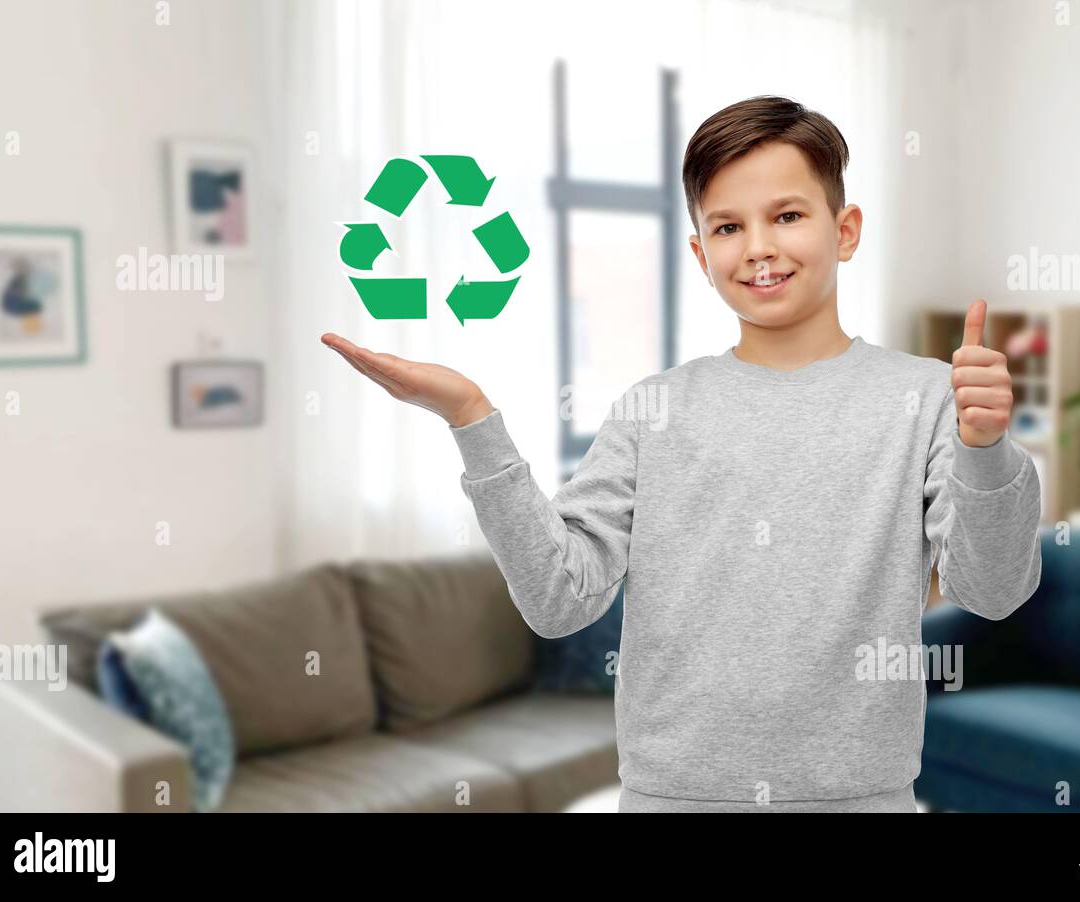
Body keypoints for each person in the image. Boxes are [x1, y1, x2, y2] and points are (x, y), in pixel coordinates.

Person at [323, 95, 1042, 813]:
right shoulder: (651, 410)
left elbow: (993, 589)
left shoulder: (927, 399)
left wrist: (985, 451)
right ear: (701, 254)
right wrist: (471, 419)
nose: (758, 246)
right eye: (728, 226)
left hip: (863, 797)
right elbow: (558, 598)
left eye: (787, 216)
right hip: (669, 798)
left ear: (845, 230)